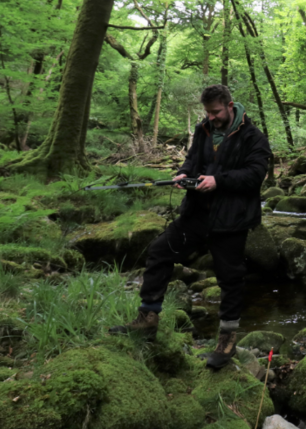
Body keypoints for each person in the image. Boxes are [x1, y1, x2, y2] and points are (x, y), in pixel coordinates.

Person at [110, 84, 272, 370]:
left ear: (230, 105)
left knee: (230, 279)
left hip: (231, 221)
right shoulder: (203, 129)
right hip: (196, 214)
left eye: (216, 112)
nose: (212, 117)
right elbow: (193, 159)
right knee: (159, 252)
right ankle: (148, 317)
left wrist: (218, 181)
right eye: (207, 112)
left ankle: (227, 341)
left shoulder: (253, 136)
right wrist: (184, 173)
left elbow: (256, 174)